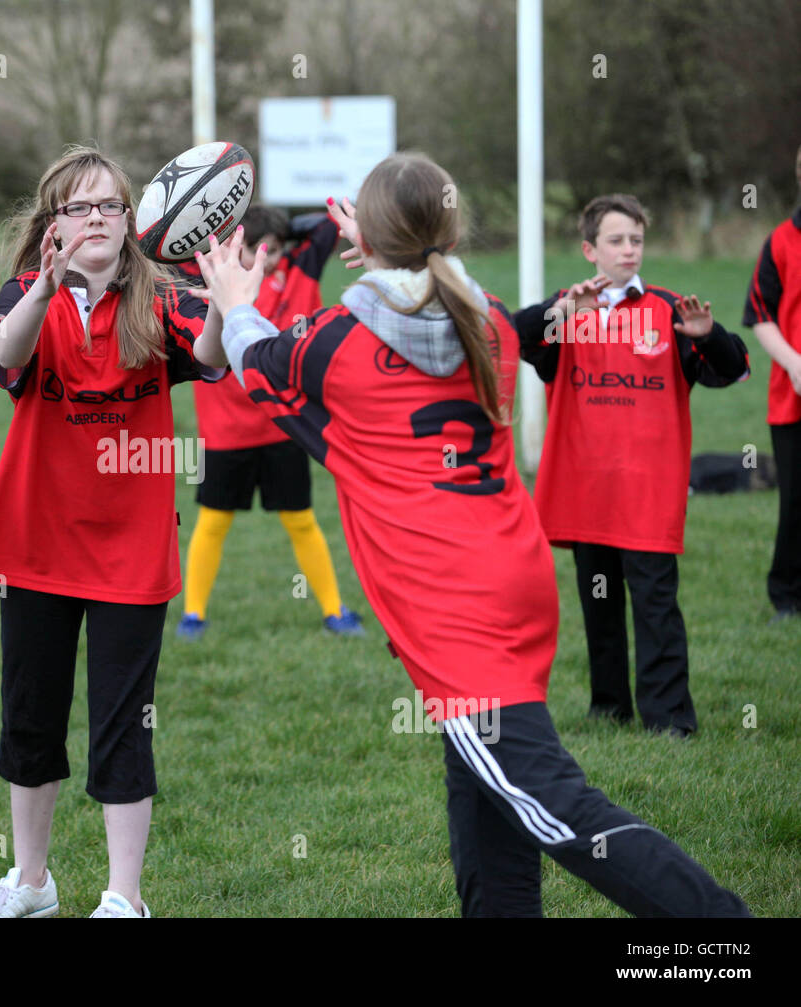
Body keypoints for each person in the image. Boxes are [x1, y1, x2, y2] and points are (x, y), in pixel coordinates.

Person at [194, 152, 748, 917]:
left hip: (455, 609)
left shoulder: (337, 346)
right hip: (513, 582)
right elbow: (425, 287)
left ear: (374, 240)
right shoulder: (486, 318)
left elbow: (251, 357)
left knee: (558, 811)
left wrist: (233, 294)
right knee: (486, 803)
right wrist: (395, 251)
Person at [0, 146, 225, 918]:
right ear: (53, 225)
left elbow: (210, 359)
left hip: (129, 547)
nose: (97, 220)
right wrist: (45, 290)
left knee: (123, 725)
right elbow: (5, 354)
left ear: (133, 219)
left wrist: (222, 301)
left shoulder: (161, 297)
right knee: (31, 718)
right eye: (79, 208)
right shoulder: (24, 295)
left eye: (110, 205)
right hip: (34, 543)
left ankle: (123, 896)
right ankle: (31, 883)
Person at [515, 195, 749, 737]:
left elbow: (733, 368)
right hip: (587, 488)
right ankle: (609, 707)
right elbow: (512, 335)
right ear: (589, 249)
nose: (628, 250)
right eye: (616, 240)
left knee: (655, 606)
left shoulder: (670, 310)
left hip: (649, 490)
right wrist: (561, 313)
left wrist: (709, 336)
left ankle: (669, 722)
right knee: (598, 602)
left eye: (636, 240)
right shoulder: (570, 310)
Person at [176, 204, 363, 639]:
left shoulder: (299, 271)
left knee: (300, 520)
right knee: (213, 521)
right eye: (253, 250)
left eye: (274, 250)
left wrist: (277, 228)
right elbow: (176, 251)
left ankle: (335, 611)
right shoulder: (214, 276)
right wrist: (229, 237)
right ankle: (193, 615)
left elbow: (326, 224)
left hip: (285, 425)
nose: (266, 259)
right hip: (225, 432)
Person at [743, 143, 801, 622]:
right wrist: (795, 364)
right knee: (796, 500)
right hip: (794, 398)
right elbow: (759, 314)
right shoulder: (781, 241)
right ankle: (786, 595)